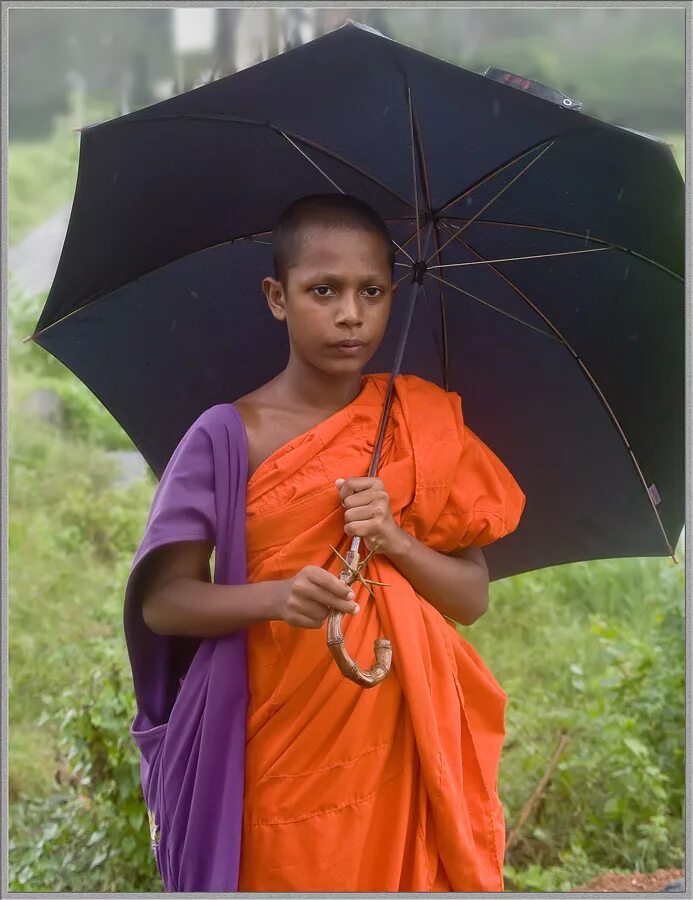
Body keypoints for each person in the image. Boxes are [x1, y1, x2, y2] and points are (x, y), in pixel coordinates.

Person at [123, 193, 526, 892]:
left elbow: (470, 598)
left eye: (371, 291)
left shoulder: (416, 426)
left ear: (391, 295)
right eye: (323, 290)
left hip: (395, 746)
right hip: (270, 747)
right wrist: (274, 597)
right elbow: (162, 602)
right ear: (277, 297)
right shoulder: (229, 436)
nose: (351, 314)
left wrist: (395, 538)